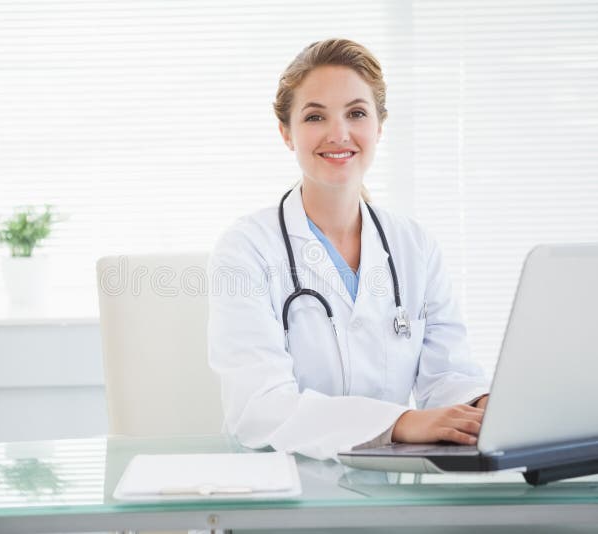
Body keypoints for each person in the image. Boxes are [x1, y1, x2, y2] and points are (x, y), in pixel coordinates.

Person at [207, 38, 490, 461]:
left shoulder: (415, 246)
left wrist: (482, 407)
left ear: (379, 125)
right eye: (315, 116)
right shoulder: (246, 250)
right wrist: (399, 423)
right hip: (284, 497)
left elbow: (447, 375)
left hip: (393, 496)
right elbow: (258, 410)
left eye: (356, 113)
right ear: (286, 132)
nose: (338, 133)